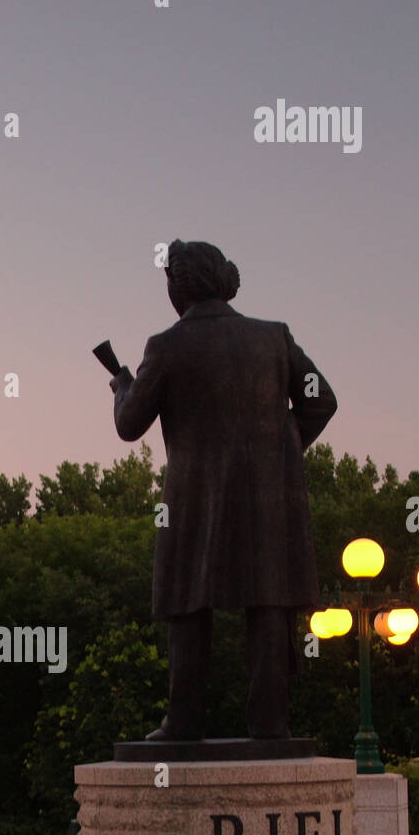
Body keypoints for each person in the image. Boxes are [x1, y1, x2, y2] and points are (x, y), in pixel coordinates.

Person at [109, 239, 337, 740]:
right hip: (268, 498)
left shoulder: (166, 345)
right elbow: (323, 400)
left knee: (188, 601)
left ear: (177, 287)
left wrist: (121, 383)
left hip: (195, 495)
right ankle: (270, 725)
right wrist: (282, 448)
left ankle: (184, 722)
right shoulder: (273, 338)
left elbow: (129, 423)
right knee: (268, 600)